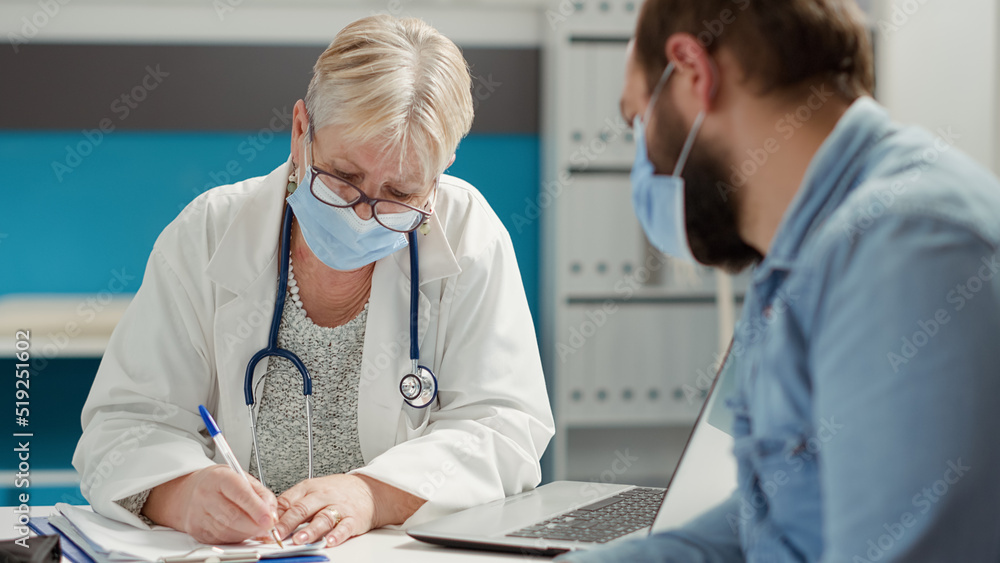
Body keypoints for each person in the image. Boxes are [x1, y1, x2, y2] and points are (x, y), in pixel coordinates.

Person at [73, 14, 554, 548]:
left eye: (399, 193)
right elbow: (122, 425)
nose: (364, 215)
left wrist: (372, 495)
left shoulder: (467, 234)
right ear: (301, 130)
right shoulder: (209, 233)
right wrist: (184, 493)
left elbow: (505, 428)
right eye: (343, 178)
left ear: (436, 179)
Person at [559, 0, 1000, 561]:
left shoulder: (909, 247)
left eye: (637, 121)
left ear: (694, 72)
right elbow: (770, 524)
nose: (643, 157)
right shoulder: (799, 261)